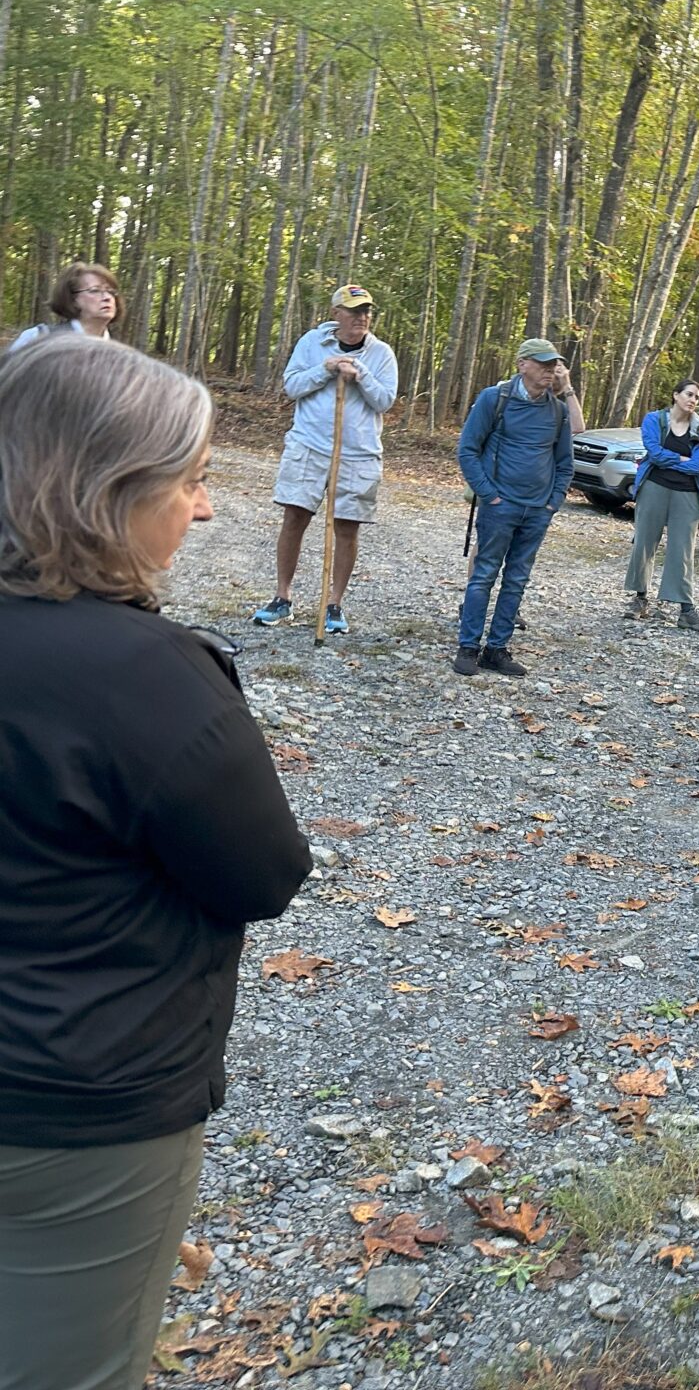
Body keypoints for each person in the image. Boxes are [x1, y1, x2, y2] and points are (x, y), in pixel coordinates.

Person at [0, 336, 311, 1387]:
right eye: (191, 481)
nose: (207, 509)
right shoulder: (144, 678)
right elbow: (262, 873)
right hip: (76, 1108)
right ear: (104, 492)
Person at [250, 285, 399, 634]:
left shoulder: (381, 353)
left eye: (366, 311)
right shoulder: (311, 343)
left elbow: (385, 401)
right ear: (336, 313)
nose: (361, 317)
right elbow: (292, 386)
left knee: (347, 527)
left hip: (358, 453)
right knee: (295, 516)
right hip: (310, 445)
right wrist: (326, 369)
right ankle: (282, 597)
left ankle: (334, 604)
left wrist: (360, 375)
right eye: (354, 311)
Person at [455, 338, 581, 676]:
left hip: (537, 510)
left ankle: (497, 649)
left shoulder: (557, 410)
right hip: (500, 506)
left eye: (553, 364)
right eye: (543, 363)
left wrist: (552, 503)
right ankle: (468, 647)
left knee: (517, 580)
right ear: (522, 364)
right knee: (484, 575)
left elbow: (565, 463)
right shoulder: (494, 399)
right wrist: (489, 494)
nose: (550, 370)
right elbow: (467, 449)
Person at [623, 377, 699, 634]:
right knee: (644, 542)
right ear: (676, 395)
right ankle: (640, 598)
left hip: (687, 494)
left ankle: (686, 610)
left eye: (696, 397)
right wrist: (680, 458)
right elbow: (654, 453)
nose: (692, 400)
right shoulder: (654, 420)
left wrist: (672, 460)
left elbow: (697, 466)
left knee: (682, 549)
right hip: (654, 487)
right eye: (689, 394)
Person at [9, 261, 119, 349]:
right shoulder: (38, 339)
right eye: (95, 290)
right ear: (73, 298)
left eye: (110, 291)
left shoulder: (119, 354)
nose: (107, 297)